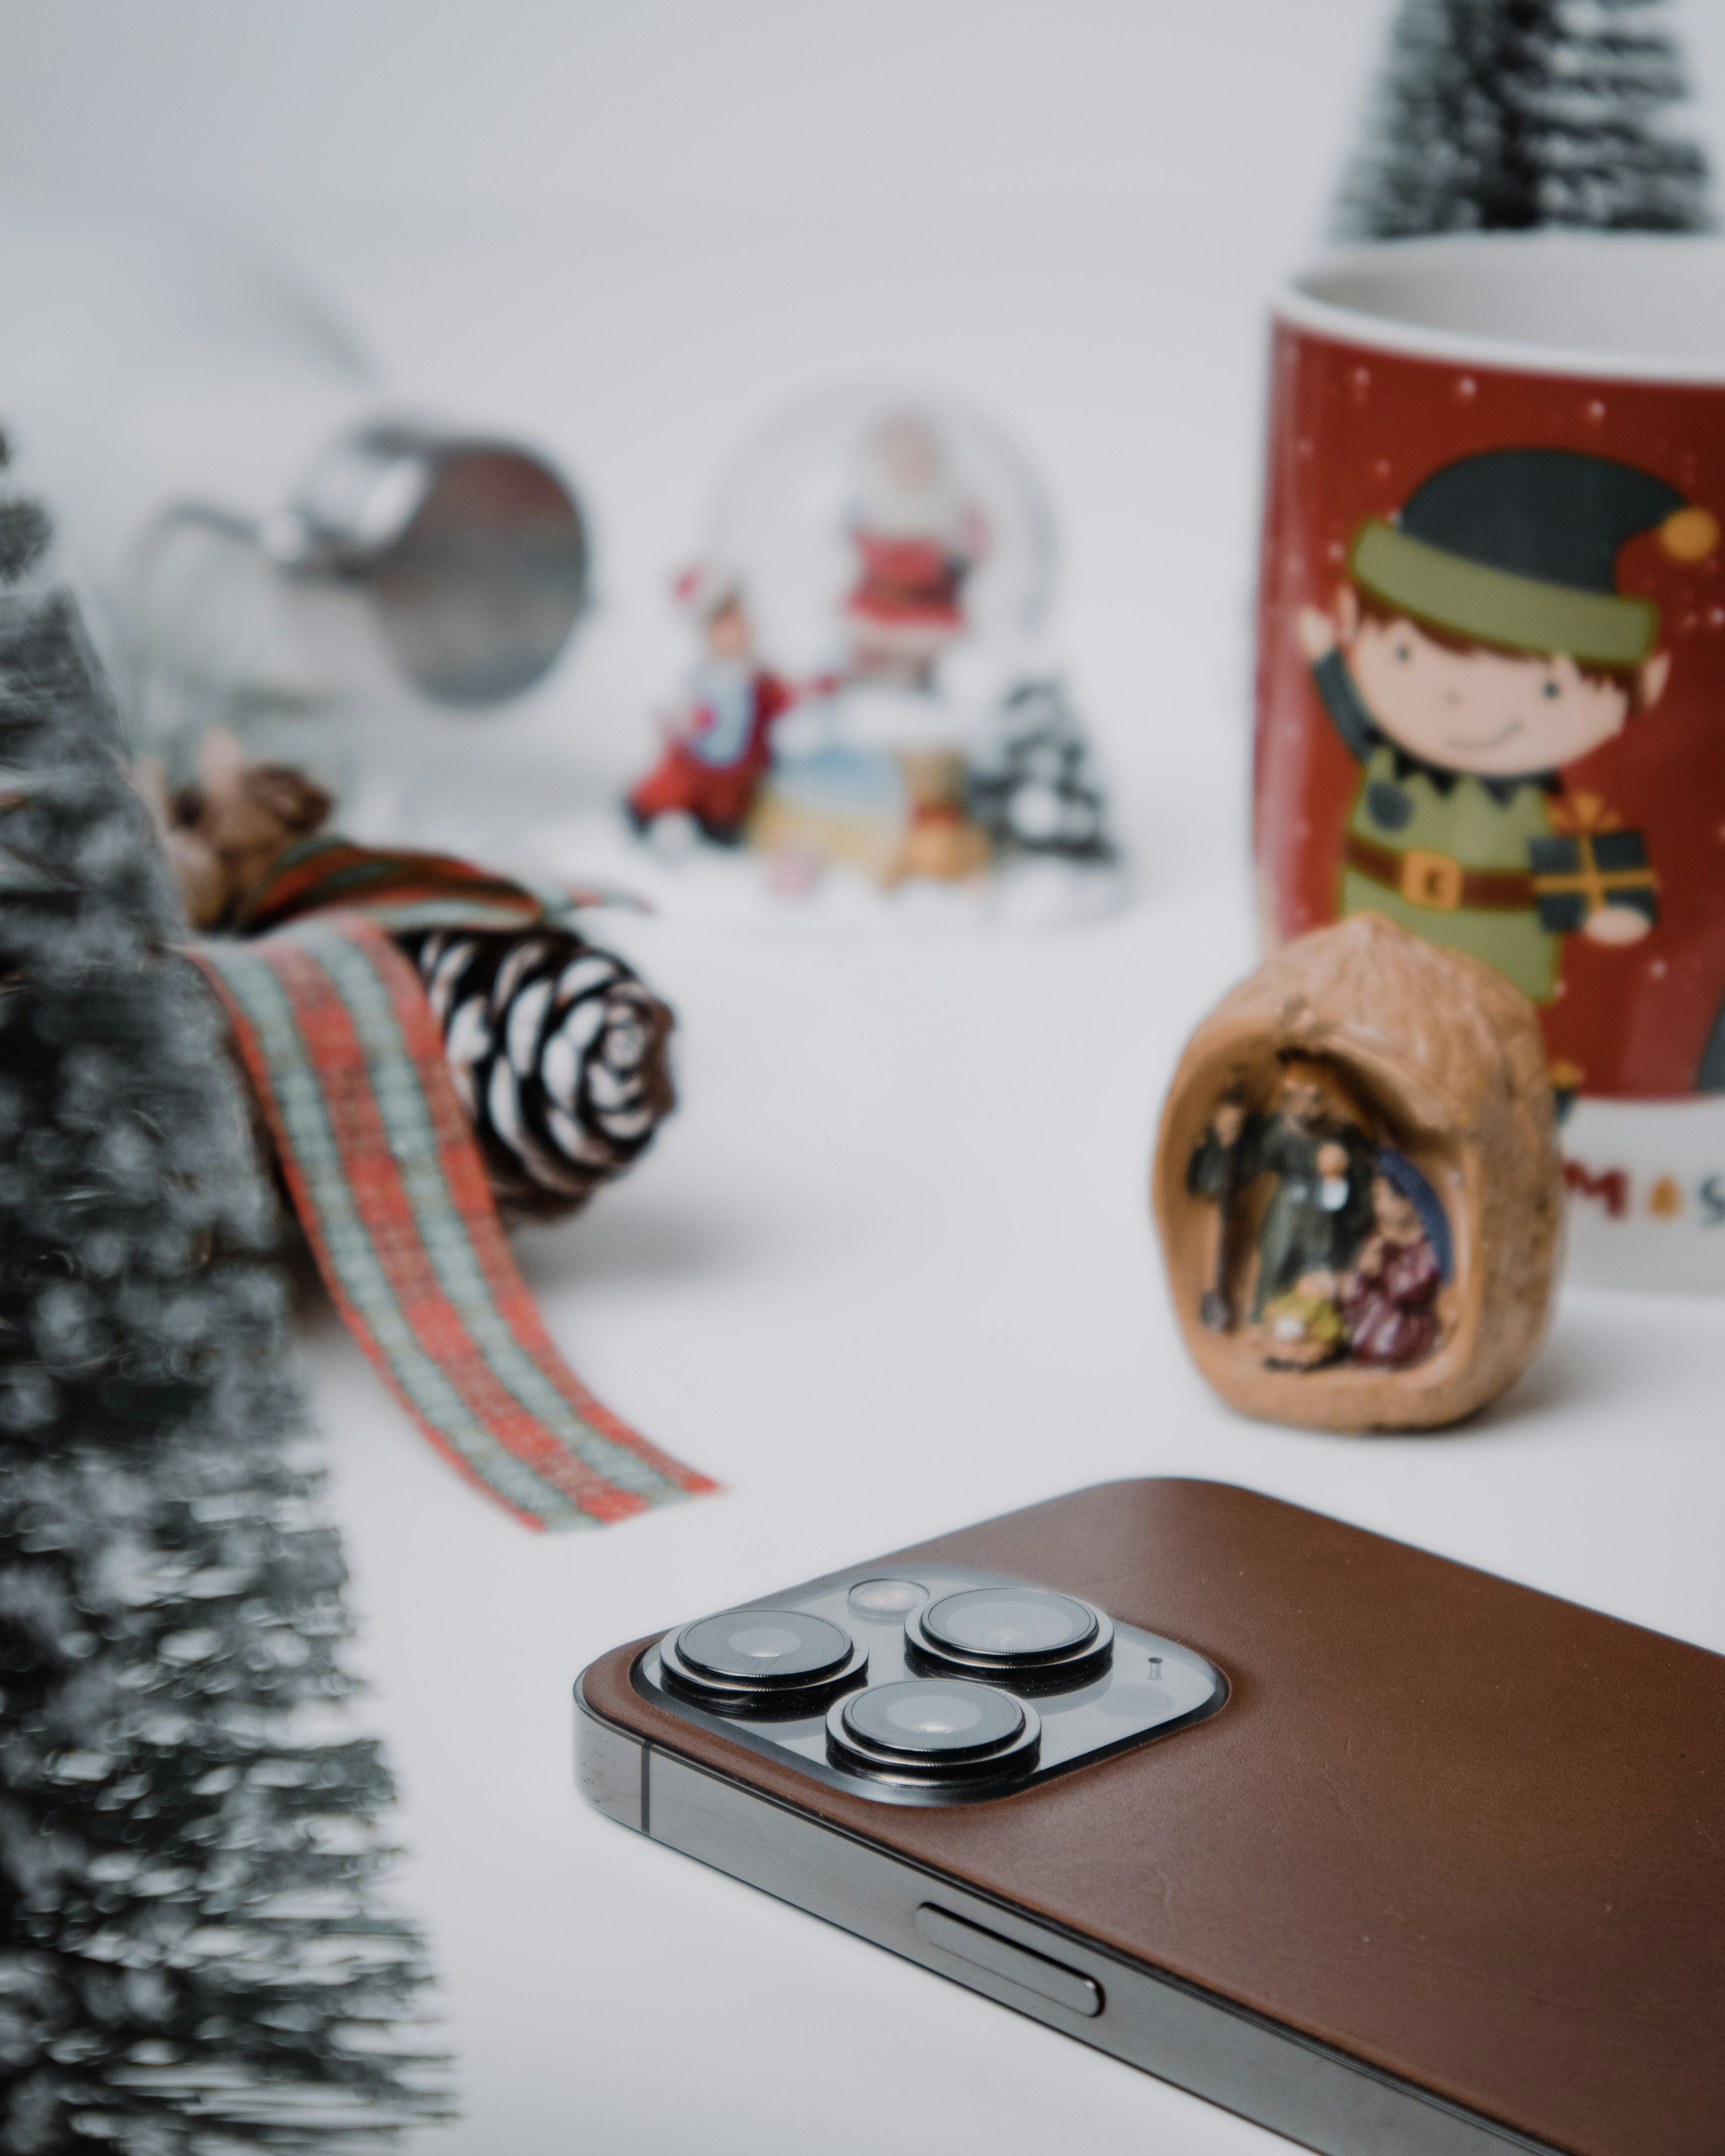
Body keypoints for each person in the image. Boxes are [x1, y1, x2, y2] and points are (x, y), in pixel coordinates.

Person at [1297, 448, 1713, 1009]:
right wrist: (1326, 660)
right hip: (1370, 954)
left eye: (1546, 689)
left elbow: (1583, 859)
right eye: (1404, 653)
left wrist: (1613, 903)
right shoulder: (1386, 760)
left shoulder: (1545, 812)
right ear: (1350, 615)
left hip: (1498, 969)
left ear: (1639, 690)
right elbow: (1352, 717)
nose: (1459, 700)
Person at [1186, 1061, 1375, 1324]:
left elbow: (1368, 1179)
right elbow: (1237, 1166)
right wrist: (1226, 1136)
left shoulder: (1346, 1137)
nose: (1306, 1105)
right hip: (1286, 1221)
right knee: (1277, 1278)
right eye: (1295, 1094)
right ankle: (1268, 1320)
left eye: (1314, 1096)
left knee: (1321, 1287)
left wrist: (1344, 1170)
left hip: (1329, 1226)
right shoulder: (1280, 1132)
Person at [627, 572, 792, 846]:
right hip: (693, 762)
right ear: (706, 630)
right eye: (728, 620)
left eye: (743, 617)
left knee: (726, 802)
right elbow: (674, 710)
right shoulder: (697, 676)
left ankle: (719, 826)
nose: (740, 627)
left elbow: (778, 699)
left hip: (737, 768)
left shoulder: (755, 675)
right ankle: (652, 813)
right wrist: (685, 719)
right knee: (674, 788)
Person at [1340, 1160, 1446, 1369]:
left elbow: (1412, 1290)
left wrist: (1384, 1264)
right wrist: (1362, 1273)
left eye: (1379, 1196)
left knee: (1384, 1340)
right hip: (1374, 1320)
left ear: (1408, 1200)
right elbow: (1355, 1289)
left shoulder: (1424, 1247)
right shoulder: (1379, 1240)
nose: (1375, 1205)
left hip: (1404, 1327)